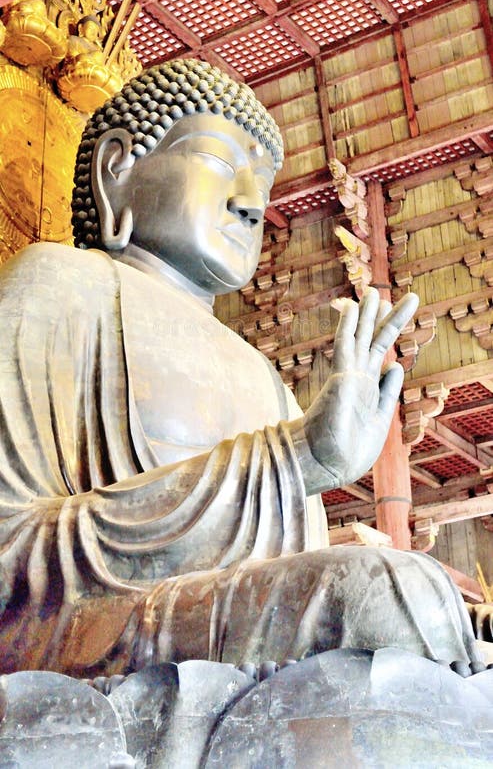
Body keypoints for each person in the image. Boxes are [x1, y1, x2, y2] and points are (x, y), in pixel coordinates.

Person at [0, 59, 479, 679]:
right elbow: (10, 556)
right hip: (99, 630)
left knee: (422, 605)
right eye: (223, 164)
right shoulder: (60, 285)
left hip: (224, 621)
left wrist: (304, 462)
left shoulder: (264, 377)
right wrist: (297, 458)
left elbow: (285, 572)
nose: (252, 203)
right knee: (379, 596)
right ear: (116, 168)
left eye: (263, 184)